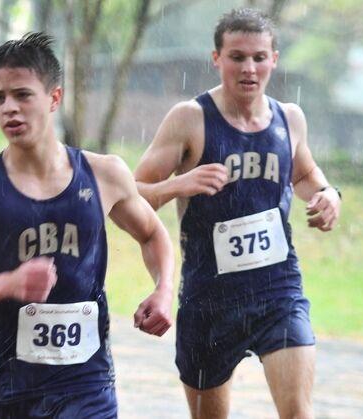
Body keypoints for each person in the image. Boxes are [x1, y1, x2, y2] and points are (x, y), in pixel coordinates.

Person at [0, 32, 174, 418]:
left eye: (22, 95)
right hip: (13, 384)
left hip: (88, 381)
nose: (9, 109)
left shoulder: (104, 175)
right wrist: (7, 284)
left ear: (54, 98)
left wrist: (163, 289)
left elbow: (152, 233)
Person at [134, 8, 341, 419]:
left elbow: (305, 175)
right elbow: (130, 196)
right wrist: (179, 184)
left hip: (277, 289)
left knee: (299, 413)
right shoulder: (190, 119)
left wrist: (329, 195)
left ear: (274, 60)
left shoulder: (289, 119)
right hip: (209, 298)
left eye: (259, 57)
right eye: (237, 56)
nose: (249, 68)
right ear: (217, 59)